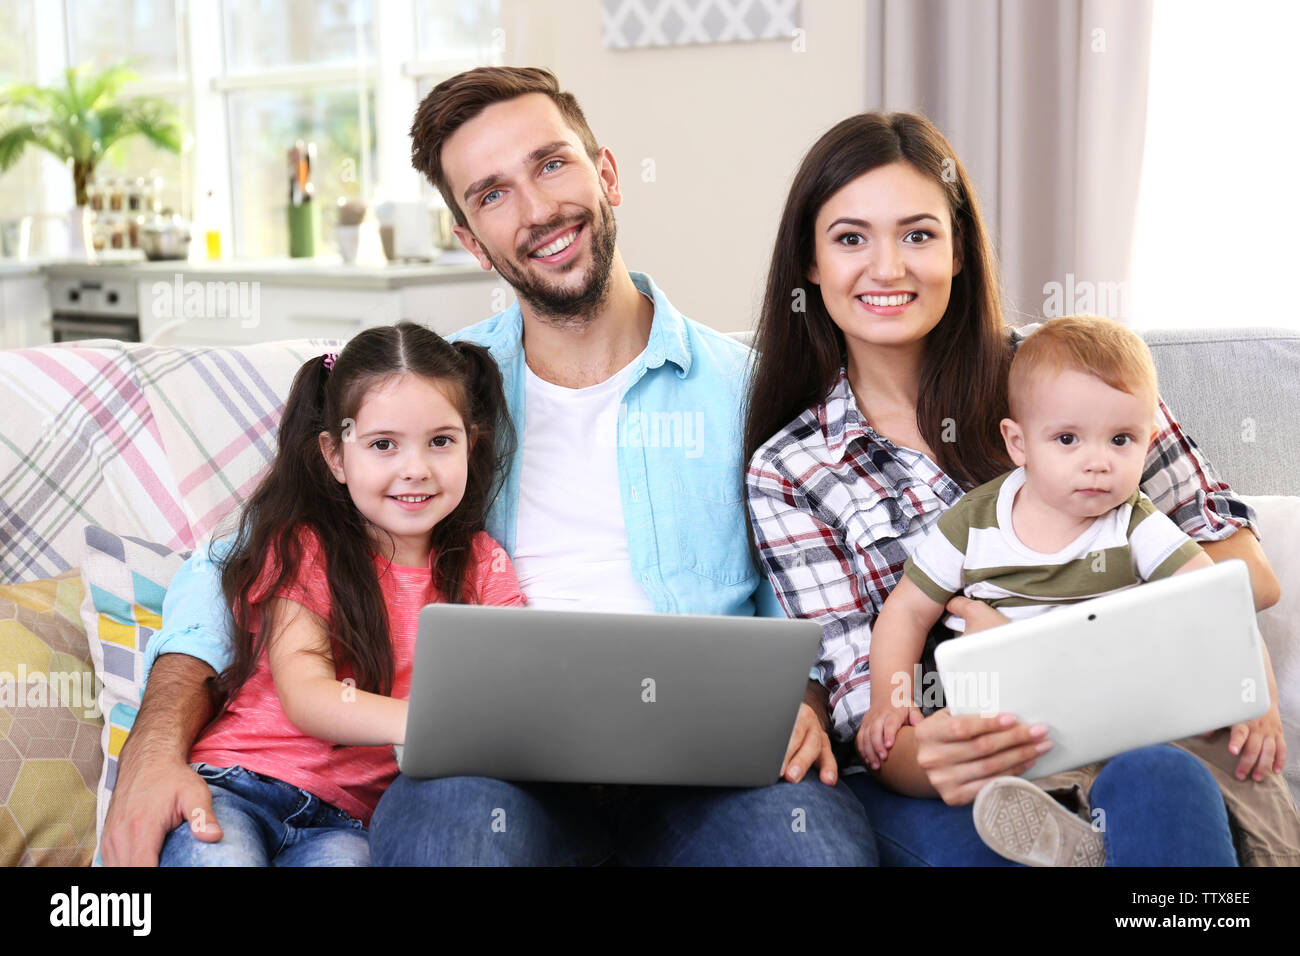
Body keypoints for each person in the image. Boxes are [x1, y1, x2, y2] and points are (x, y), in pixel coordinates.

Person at [102, 67, 873, 867]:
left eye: (550, 164)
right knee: (454, 836)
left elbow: (817, 594)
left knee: (809, 848)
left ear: (606, 174)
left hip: (713, 771)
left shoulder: (752, 389)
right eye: (493, 194)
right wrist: (155, 751)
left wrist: (808, 703)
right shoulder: (434, 400)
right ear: (471, 242)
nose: (539, 210)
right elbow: (230, 563)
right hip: (496, 772)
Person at [744, 111, 1289, 866]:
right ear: (809, 261)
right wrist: (926, 748)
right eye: (850, 238)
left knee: (1160, 780)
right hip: (962, 766)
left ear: (960, 248)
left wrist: (1051, 627)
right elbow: (872, 705)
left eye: (919, 234)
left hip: (1145, 731)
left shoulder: (1077, 370)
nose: (888, 268)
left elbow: (1244, 580)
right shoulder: (794, 467)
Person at [157, 323, 526, 865]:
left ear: (473, 442)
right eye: (383, 445)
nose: (416, 469)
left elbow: (515, 692)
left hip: (350, 821)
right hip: (239, 785)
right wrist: (432, 722)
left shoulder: (485, 567)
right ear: (334, 456)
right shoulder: (307, 547)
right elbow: (310, 696)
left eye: (441, 441)